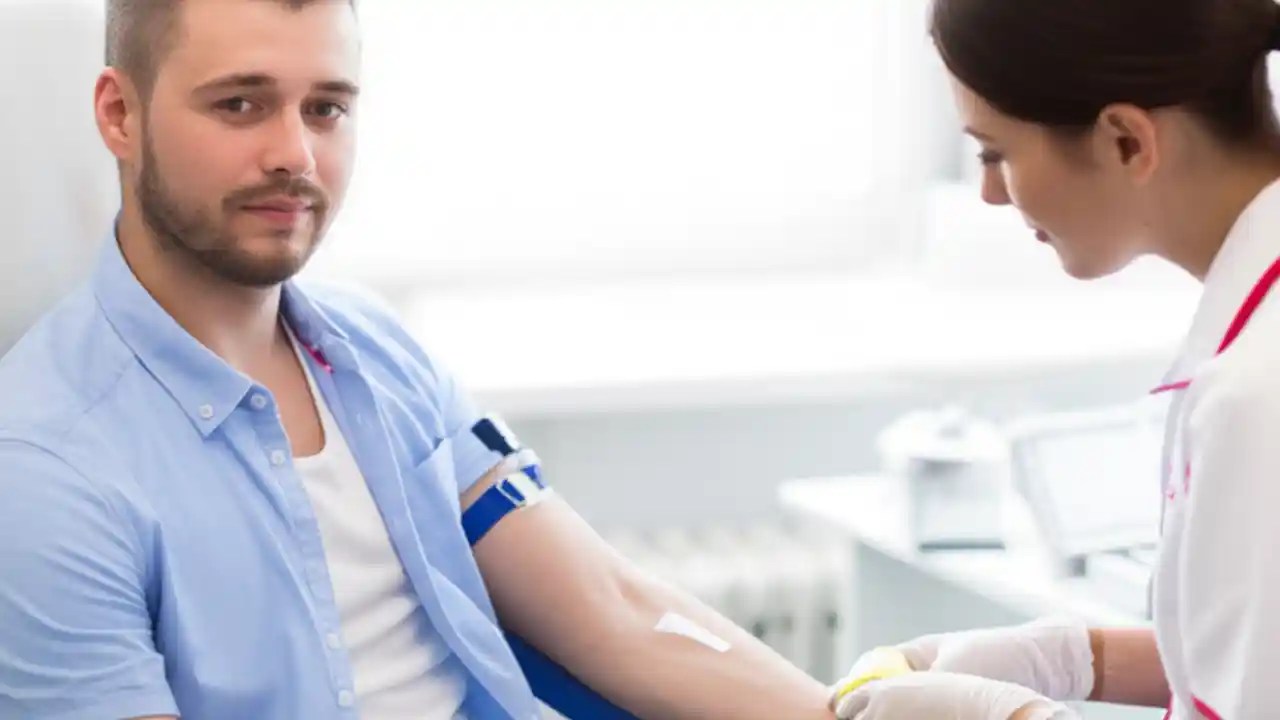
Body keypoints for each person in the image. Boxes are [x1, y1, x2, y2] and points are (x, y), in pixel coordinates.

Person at [0, 1, 836, 718]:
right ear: (120, 114)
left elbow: (610, 609)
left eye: (325, 109)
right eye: (241, 105)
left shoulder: (377, 354)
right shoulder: (45, 471)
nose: (294, 153)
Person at [830, 0, 1280, 718]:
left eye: (995, 152)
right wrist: (1078, 661)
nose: (989, 192)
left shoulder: (1257, 395)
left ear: (1127, 141)